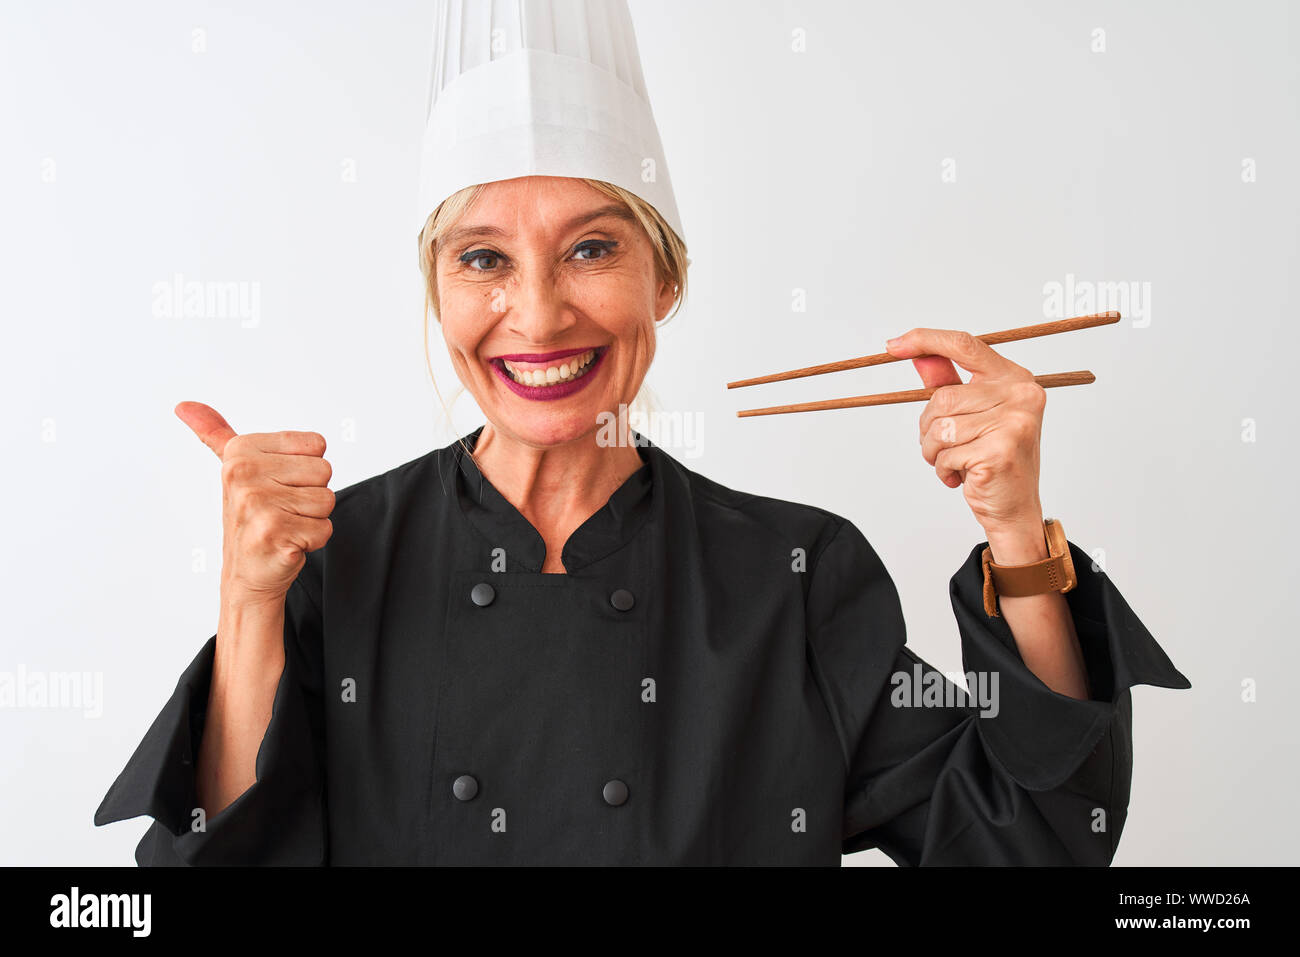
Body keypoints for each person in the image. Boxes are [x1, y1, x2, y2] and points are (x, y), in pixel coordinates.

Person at [94, 0, 1189, 866]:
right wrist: (248, 603)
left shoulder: (790, 575)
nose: (536, 314)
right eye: (482, 258)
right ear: (436, 290)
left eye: (591, 249)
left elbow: (1034, 845)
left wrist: (1015, 534)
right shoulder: (337, 557)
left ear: (663, 279)